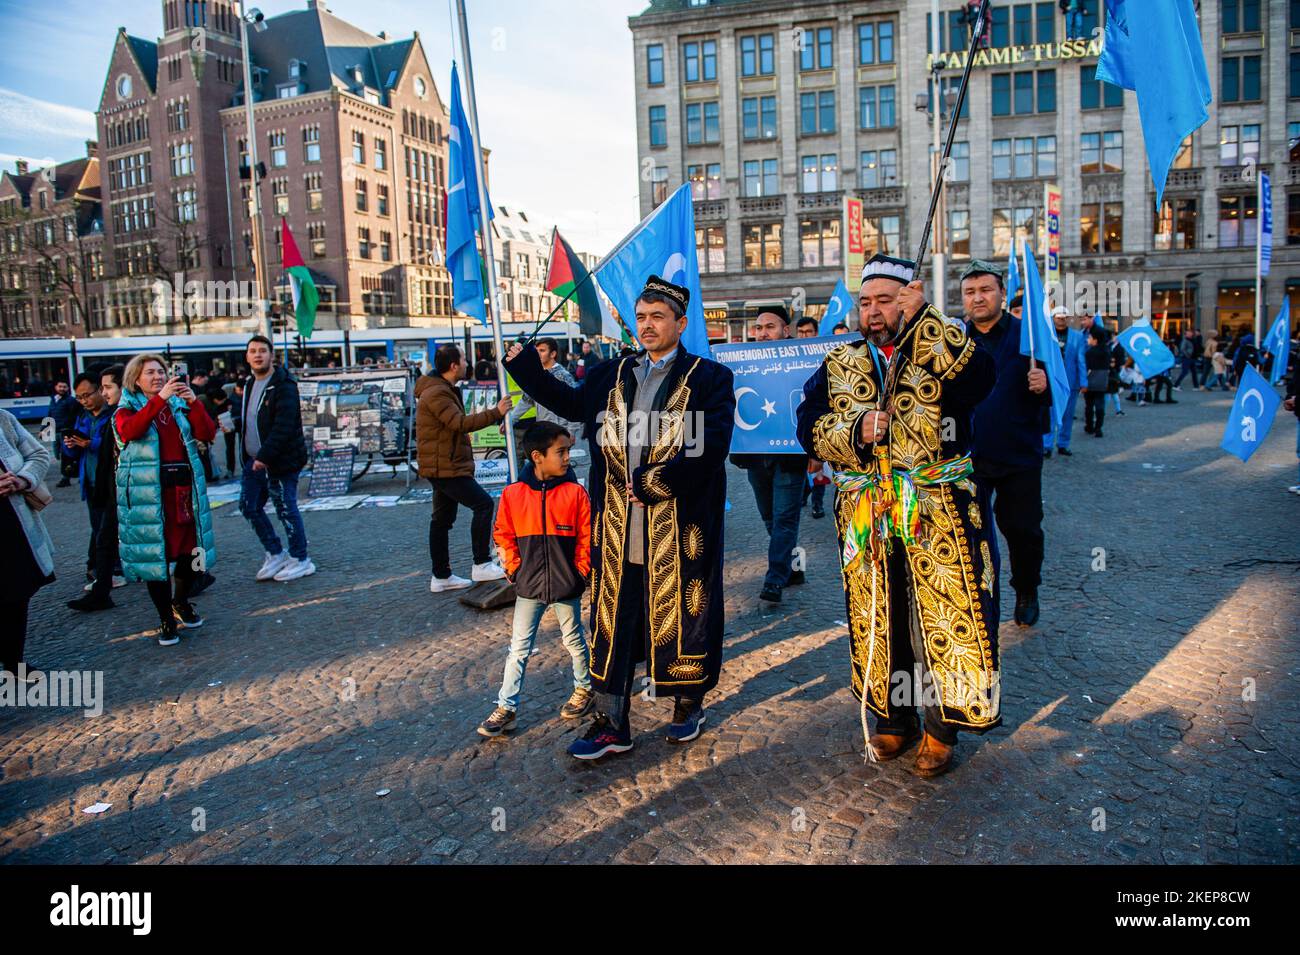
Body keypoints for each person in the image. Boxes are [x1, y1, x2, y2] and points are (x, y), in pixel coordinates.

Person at [504, 274, 736, 758]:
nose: (647, 326)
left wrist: (656, 483)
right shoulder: (612, 373)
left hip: (680, 524)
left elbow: (711, 446)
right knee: (614, 618)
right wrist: (524, 366)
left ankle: (686, 704)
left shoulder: (710, 379)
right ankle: (612, 721)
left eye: (658, 317)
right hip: (617, 527)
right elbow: (567, 402)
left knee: (685, 612)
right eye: (642, 317)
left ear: (680, 323)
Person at [797, 253, 998, 778]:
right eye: (866, 303)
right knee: (880, 614)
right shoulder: (841, 361)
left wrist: (928, 320)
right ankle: (892, 715)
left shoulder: (939, 347)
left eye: (885, 301)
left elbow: (980, 379)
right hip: (868, 511)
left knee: (938, 615)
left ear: (908, 301)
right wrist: (855, 431)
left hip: (939, 510)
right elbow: (808, 424)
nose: (874, 312)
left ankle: (941, 726)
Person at [477, 421, 594, 737]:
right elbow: (502, 535)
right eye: (561, 451)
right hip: (529, 586)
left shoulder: (575, 494)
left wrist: (580, 573)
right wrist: (514, 571)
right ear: (537, 456)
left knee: (574, 640)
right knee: (519, 648)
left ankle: (585, 689)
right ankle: (507, 707)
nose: (567, 457)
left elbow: (587, 537)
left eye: (567, 451)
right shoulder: (513, 495)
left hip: (566, 583)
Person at [962, 260, 1051, 629]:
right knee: (969, 534)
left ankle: (1026, 588)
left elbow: (1057, 392)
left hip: (1019, 454)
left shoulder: (1030, 336)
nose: (978, 298)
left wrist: (1042, 385)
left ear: (1001, 293)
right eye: (970, 292)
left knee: (1023, 530)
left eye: (985, 290)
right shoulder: (953, 338)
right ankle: (977, 597)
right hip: (969, 456)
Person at [113, 354, 216, 646]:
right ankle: (165, 617)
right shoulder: (125, 409)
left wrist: (194, 402)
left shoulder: (178, 404)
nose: (158, 377)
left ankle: (180, 601)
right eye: (150, 373)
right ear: (135, 379)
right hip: (151, 496)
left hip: (184, 494)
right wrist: (159, 399)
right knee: (155, 558)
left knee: (192, 555)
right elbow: (130, 431)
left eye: (161, 371)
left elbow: (207, 432)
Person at [416, 343, 511, 592]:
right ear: (454, 366)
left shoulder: (441, 389)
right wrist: (496, 412)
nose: (469, 364)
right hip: (446, 466)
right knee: (483, 504)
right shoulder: (438, 392)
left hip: (444, 464)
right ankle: (480, 563)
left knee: (442, 520)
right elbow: (459, 423)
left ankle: (441, 576)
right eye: (464, 360)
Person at [729, 305, 807, 603]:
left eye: (770, 327)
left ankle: (774, 579)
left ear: (785, 330)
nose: (762, 333)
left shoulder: (801, 362)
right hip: (755, 455)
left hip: (791, 456)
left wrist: (815, 452)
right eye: (759, 328)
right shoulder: (742, 364)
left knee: (784, 517)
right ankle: (791, 561)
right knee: (769, 518)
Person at [239, 335, 314, 583]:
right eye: (253, 351)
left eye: (262, 350)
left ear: (272, 355)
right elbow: (253, 418)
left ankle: (300, 558)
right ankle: (275, 552)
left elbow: (283, 426)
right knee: (248, 506)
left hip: (280, 461)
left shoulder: (284, 385)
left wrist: (265, 456)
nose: (258, 355)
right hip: (253, 460)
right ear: (247, 356)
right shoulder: (250, 383)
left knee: (285, 508)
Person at [0, 407, 55, 682]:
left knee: (17, 594)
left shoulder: (3, 419)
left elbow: (38, 453)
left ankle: (13, 663)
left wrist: (21, 479)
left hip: (13, 523)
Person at [69, 365, 127, 612]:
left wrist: (91, 443)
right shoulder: (87, 417)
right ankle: (103, 586)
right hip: (98, 486)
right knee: (103, 535)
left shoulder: (118, 415)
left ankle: (188, 577)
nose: (103, 394)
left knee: (109, 536)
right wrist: (71, 445)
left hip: (121, 487)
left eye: (106, 387)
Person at [506, 336, 579, 459]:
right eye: (537, 350)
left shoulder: (563, 375)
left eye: (542, 350)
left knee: (560, 467)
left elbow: (576, 403)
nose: (538, 354)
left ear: (553, 354)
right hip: (543, 432)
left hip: (560, 432)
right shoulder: (538, 376)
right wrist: (510, 420)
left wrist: (571, 431)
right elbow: (526, 400)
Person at [1044, 308, 1087, 458]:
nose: (1061, 320)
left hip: (1070, 381)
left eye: (1064, 317)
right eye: (1058, 317)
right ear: (1053, 318)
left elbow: (1081, 360)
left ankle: (1063, 444)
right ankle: (1046, 445)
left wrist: (1084, 381)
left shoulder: (1077, 336)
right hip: (1050, 381)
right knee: (1049, 415)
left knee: (1067, 416)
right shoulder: (1047, 336)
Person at [47, 380, 78, 487]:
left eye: (64, 387)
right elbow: (50, 415)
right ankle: (74, 472)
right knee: (57, 454)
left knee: (66, 455)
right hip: (55, 432)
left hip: (65, 432)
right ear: (56, 387)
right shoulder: (53, 400)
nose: (62, 389)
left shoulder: (71, 401)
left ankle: (66, 478)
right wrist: (44, 429)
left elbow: (74, 416)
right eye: (60, 386)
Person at [1083, 326, 1111, 438]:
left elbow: (1085, 367)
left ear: (1095, 339)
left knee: (1089, 405)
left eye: (1089, 337)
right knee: (1100, 405)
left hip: (1090, 380)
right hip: (1102, 380)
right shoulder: (1107, 351)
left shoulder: (1089, 352)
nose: (1088, 339)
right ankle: (1098, 428)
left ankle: (1089, 426)